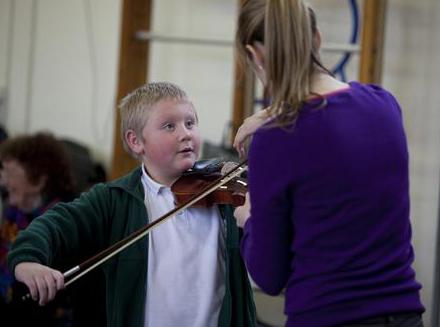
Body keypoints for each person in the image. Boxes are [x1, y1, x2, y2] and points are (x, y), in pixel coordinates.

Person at [232, 1, 425, 327]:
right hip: (405, 315)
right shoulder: (384, 105)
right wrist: (267, 114)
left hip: (329, 317)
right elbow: (329, 113)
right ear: (317, 39)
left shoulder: (277, 139)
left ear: (256, 55)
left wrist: (248, 217)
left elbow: (269, 275)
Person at [7, 82, 256, 327]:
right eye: (170, 126)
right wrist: (27, 261)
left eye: (190, 123)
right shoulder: (112, 200)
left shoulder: (225, 196)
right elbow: (53, 226)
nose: (185, 133)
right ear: (136, 141)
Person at [0, 132, 75, 326]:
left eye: (11, 174)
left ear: (39, 180)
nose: (4, 182)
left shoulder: (61, 218)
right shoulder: (14, 211)